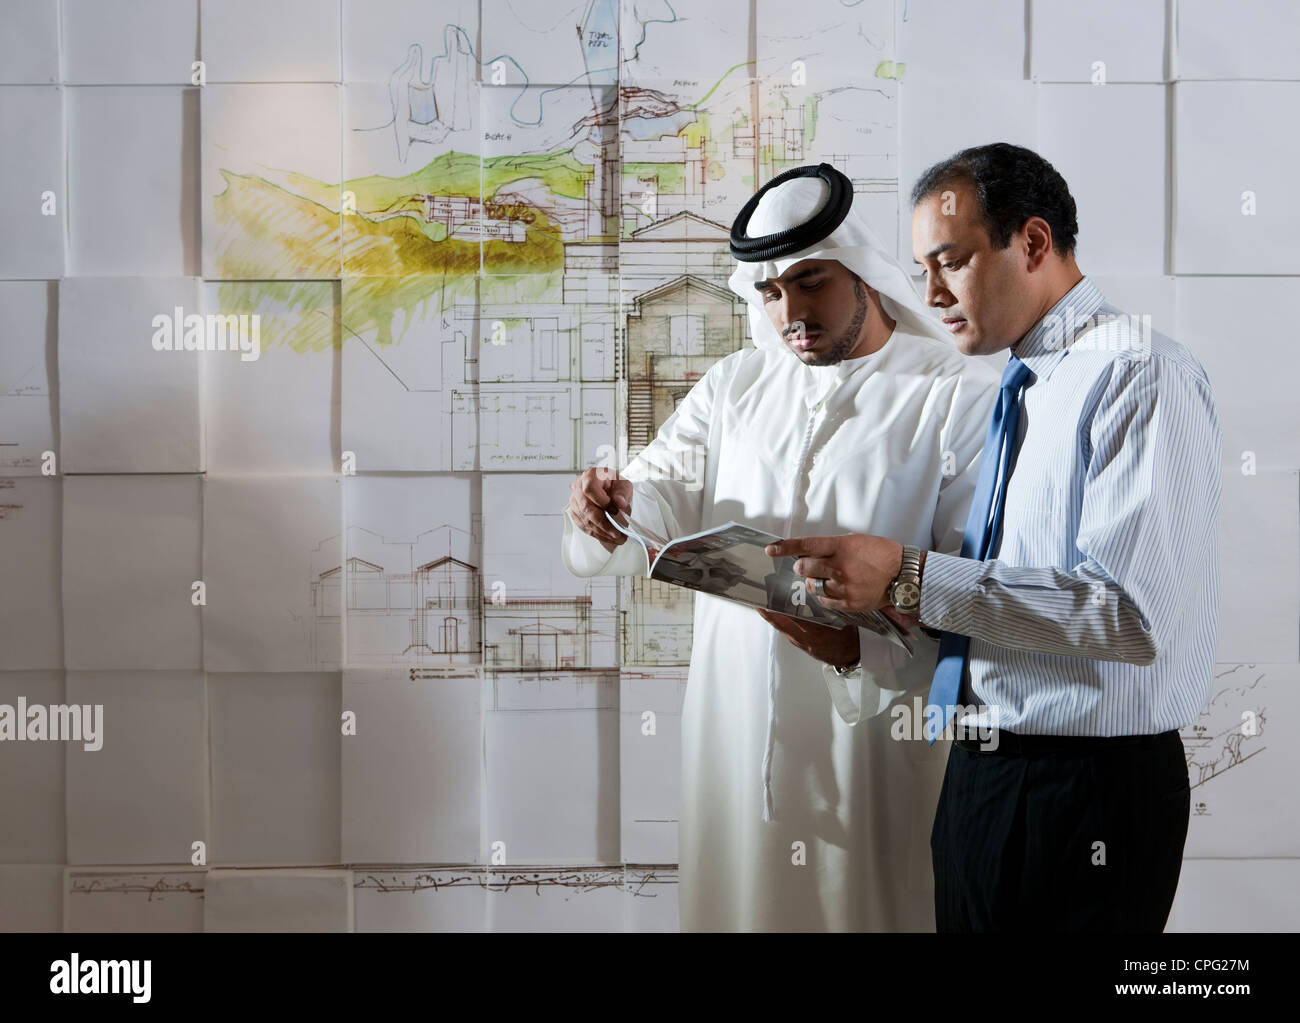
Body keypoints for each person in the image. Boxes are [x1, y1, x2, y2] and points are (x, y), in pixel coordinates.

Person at [768, 143, 1221, 931]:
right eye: (922, 271)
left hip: (1087, 796)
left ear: (1034, 243)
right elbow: (1014, 602)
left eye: (951, 262)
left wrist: (908, 575)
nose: (934, 294)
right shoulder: (1019, 385)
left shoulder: (1138, 374)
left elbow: (1131, 615)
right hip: (982, 776)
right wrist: (867, 640)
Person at [559, 162, 1000, 930]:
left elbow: (973, 594)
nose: (789, 309)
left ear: (862, 272)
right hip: (731, 740)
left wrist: (856, 653)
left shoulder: (955, 395)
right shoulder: (732, 386)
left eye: (811, 281)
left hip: (871, 751)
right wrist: (608, 512)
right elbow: (651, 498)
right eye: (769, 291)